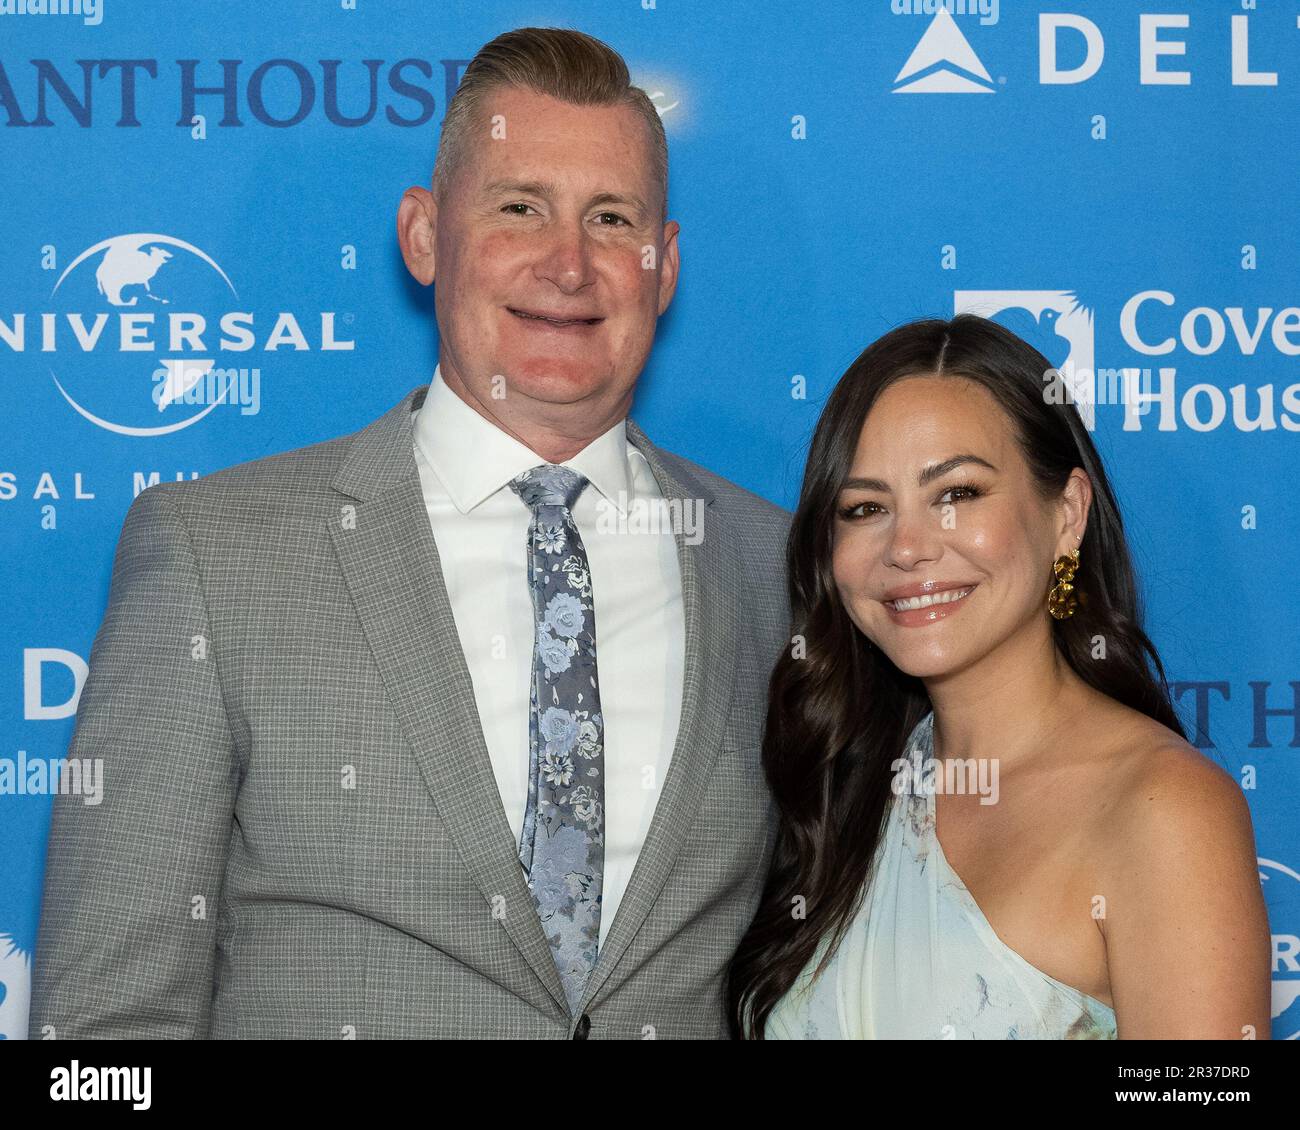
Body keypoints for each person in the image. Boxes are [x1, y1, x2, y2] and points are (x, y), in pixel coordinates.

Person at [28, 27, 790, 1040]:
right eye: (520, 207)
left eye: (611, 218)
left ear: (664, 265)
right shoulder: (215, 556)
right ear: (425, 235)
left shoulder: (774, 564)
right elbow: (103, 1033)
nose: (568, 263)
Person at [727, 314, 1272, 1039]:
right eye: (865, 509)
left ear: (1067, 514)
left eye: (958, 493)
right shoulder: (853, 787)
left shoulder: (1163, 811)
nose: (908, 547)